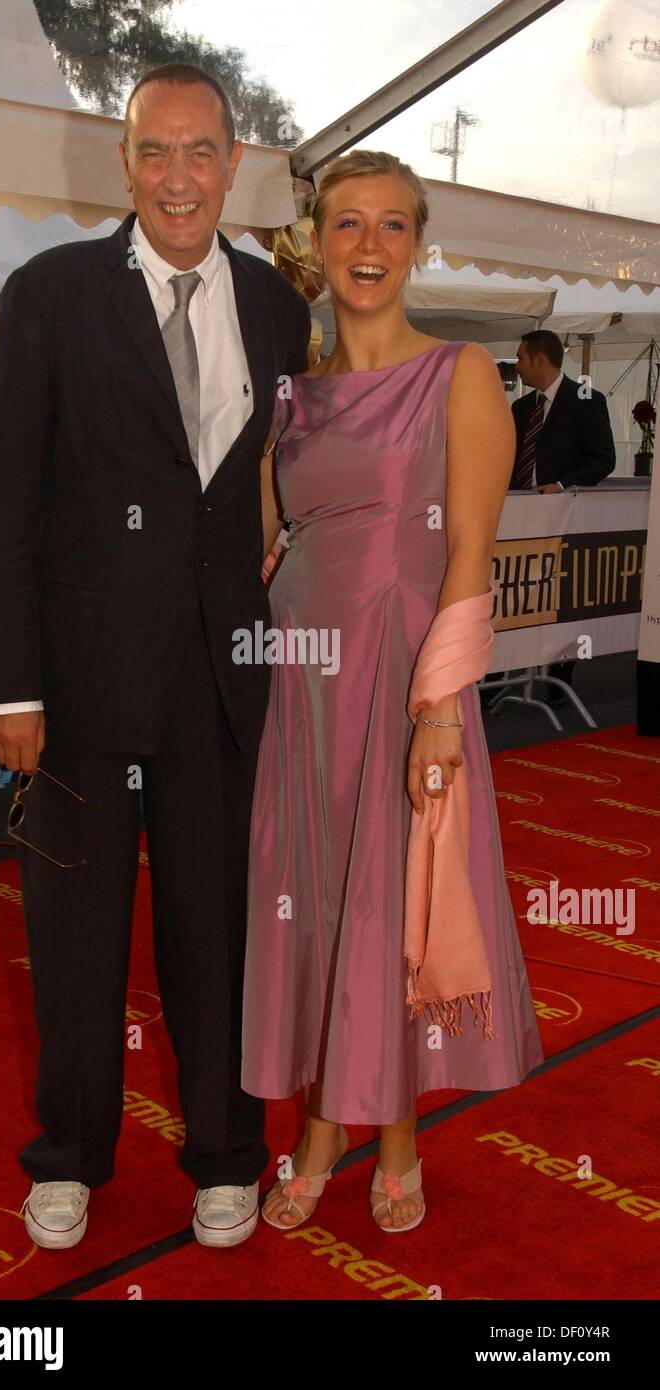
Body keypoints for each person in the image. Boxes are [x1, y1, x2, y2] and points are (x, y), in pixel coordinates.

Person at [0, 62, 310, 1252]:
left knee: (219, 938)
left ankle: (227, 1151)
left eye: (200, 151)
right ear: (125, 162)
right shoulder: (48, 292)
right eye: (154, 152)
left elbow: (269, 488)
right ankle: (67, 1154)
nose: (178, 176)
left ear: (233, 163)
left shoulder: (275, 307)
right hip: (75, 692)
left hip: (222, 689)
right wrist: (7, 681)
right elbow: (3, 503)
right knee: (73, 941)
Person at [242, 150, 544, 1233]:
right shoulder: (291, 395)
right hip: (301, 689)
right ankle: (332, 1121)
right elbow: (267, 544)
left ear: (417, 243)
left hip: (407, 680)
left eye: (390, 227)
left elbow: (471, 549)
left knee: (390, 908)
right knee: (320, 906)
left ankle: (385, 1133)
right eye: (346, 226)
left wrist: (435, 709)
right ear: (314, 245)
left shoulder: (457, 374)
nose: (367, 247)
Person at [510, 330, 616, 702]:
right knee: (515, 592)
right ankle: (505, 672)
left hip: (565, 517)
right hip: (517, 515)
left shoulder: (586, 399)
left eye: (521, 358)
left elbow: (603, 460)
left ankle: (559, 677)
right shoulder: (521, 408)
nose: (517, 366)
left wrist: (561, 484)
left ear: (540, 360)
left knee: (560, 594)